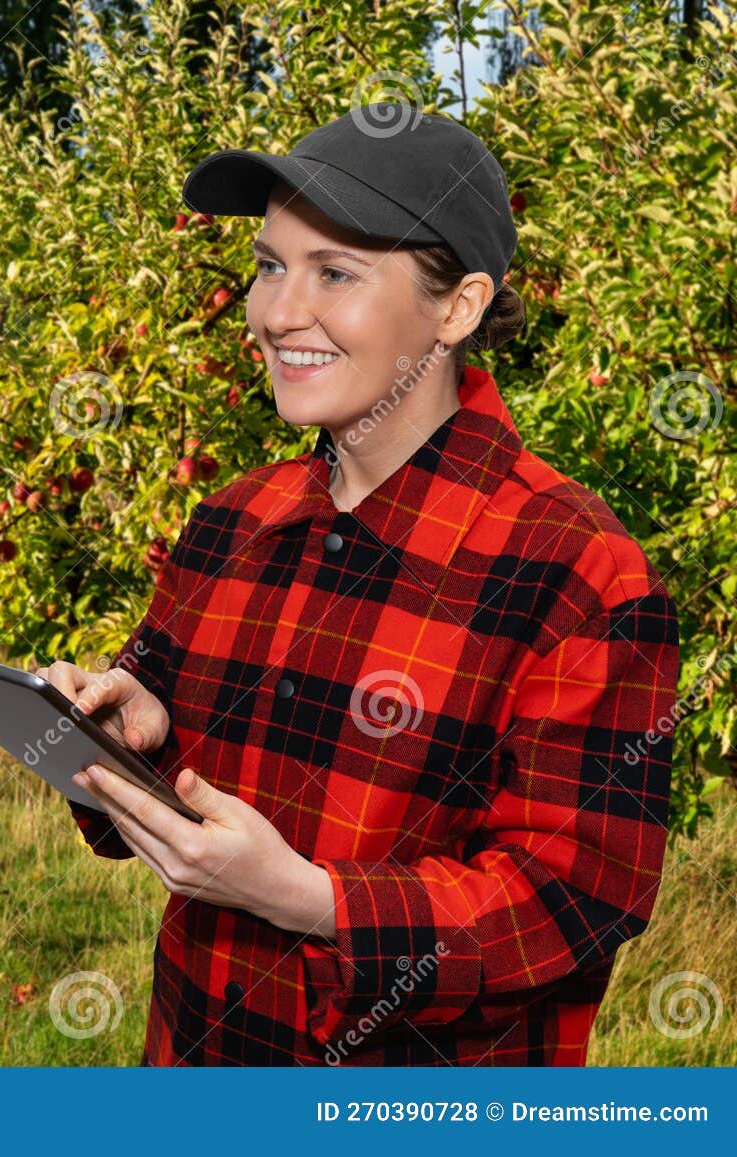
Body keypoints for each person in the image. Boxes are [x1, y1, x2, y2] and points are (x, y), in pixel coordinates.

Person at [36, 102, 682, 1066]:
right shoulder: (231, 524)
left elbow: (575, 899)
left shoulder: (577, 569)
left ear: (457, 307)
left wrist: (310, 899)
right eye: (268, 264)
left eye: (335, 272)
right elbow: (173, 816)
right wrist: (128, 738)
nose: (277, 311)